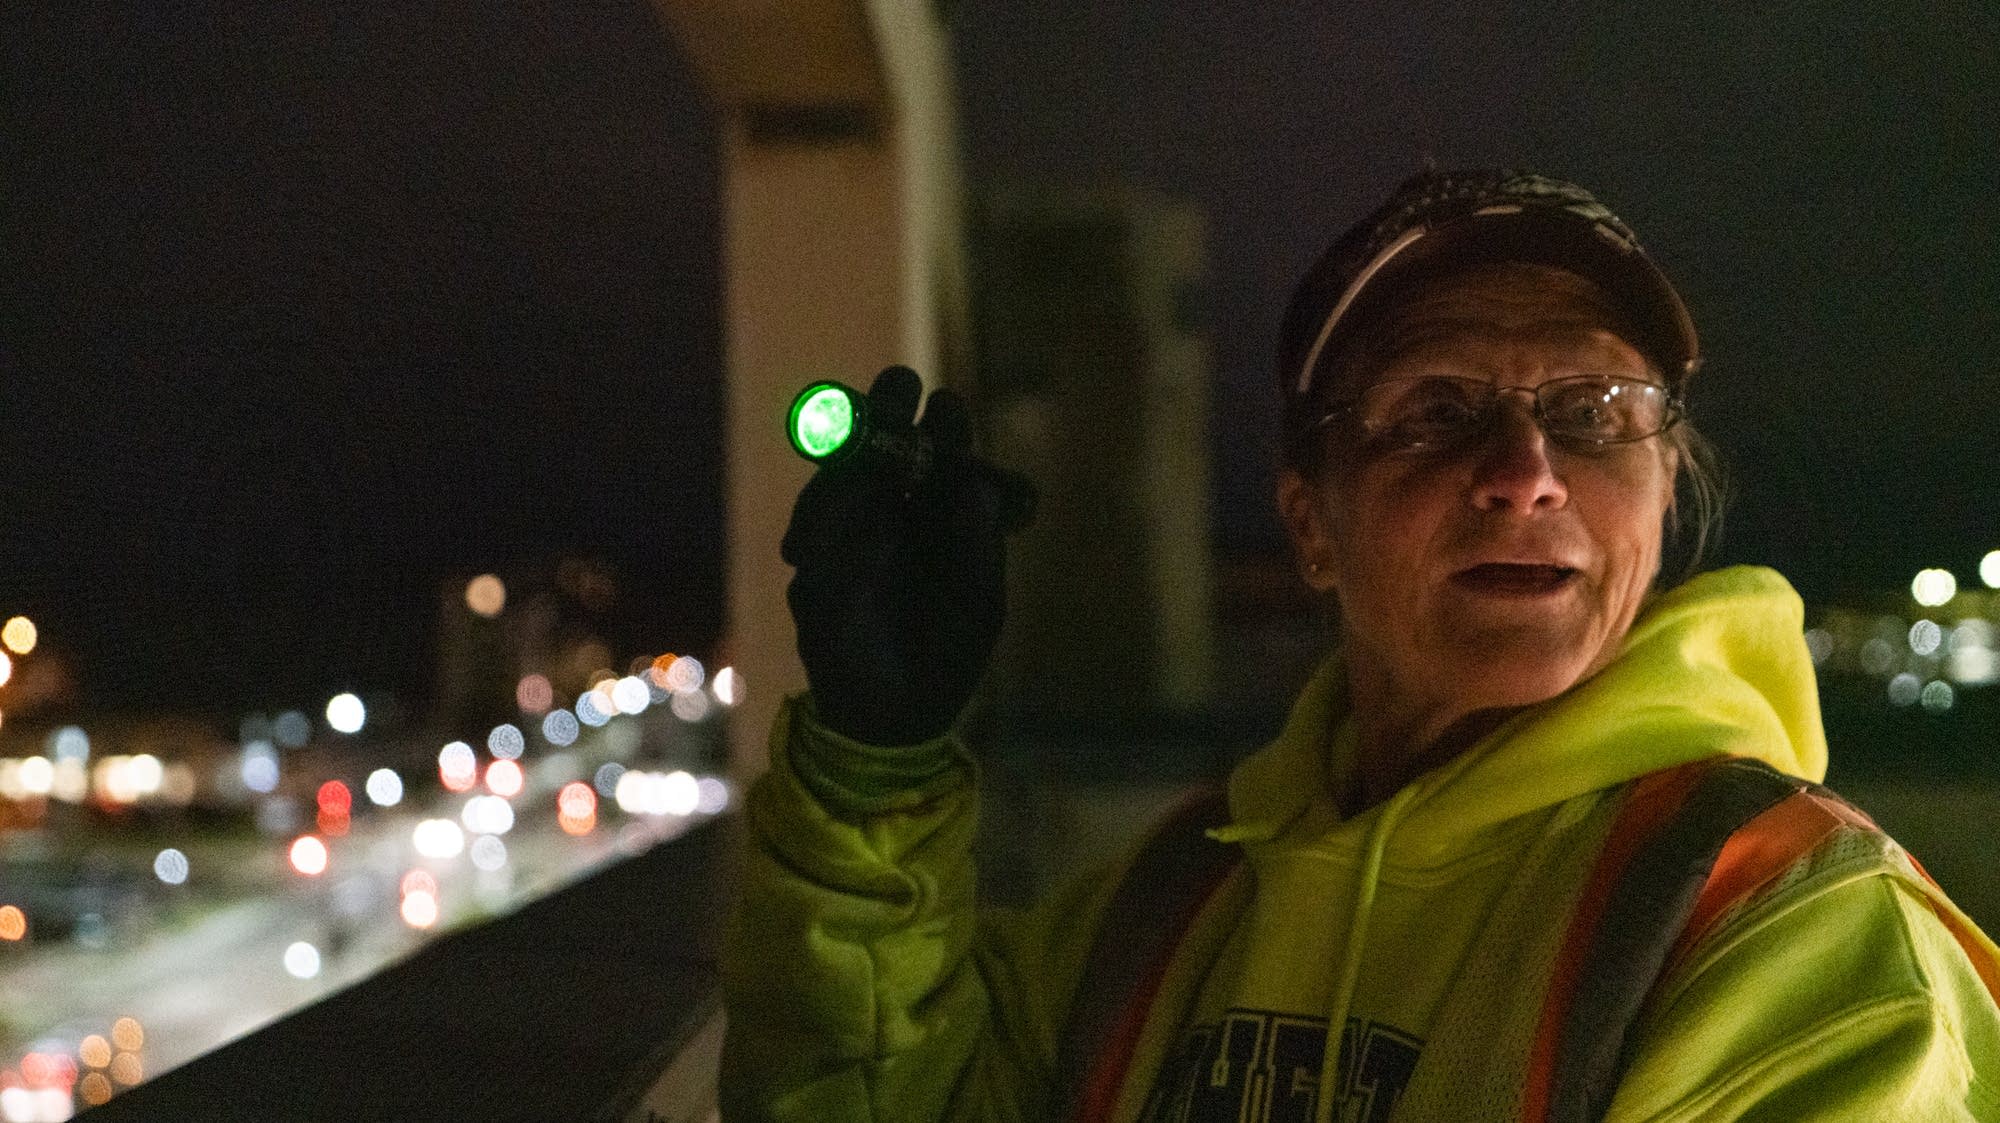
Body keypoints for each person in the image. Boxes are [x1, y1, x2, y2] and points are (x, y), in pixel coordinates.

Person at [720, 168, 2000, 1121]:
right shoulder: (1183, 898)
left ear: (1662, 502)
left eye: (1595, 411)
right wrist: (871, 759)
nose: (1522, 473)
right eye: (1433, 409)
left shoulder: (1789, 936)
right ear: (1309, 525)